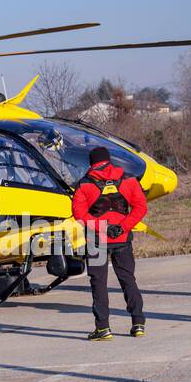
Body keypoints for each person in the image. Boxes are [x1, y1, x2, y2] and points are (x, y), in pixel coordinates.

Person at [71, 146, 148, 341]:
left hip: (96, 240)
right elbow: (140, 207)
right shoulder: (129, 179)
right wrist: (123, 227)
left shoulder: (84, 184)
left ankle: (103, 328)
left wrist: (103, 228)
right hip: (123, 239)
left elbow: (79, 215)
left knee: (99, 283)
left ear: (91, 163)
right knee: (128, 279)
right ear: (109, 160)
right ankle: (138, 323)